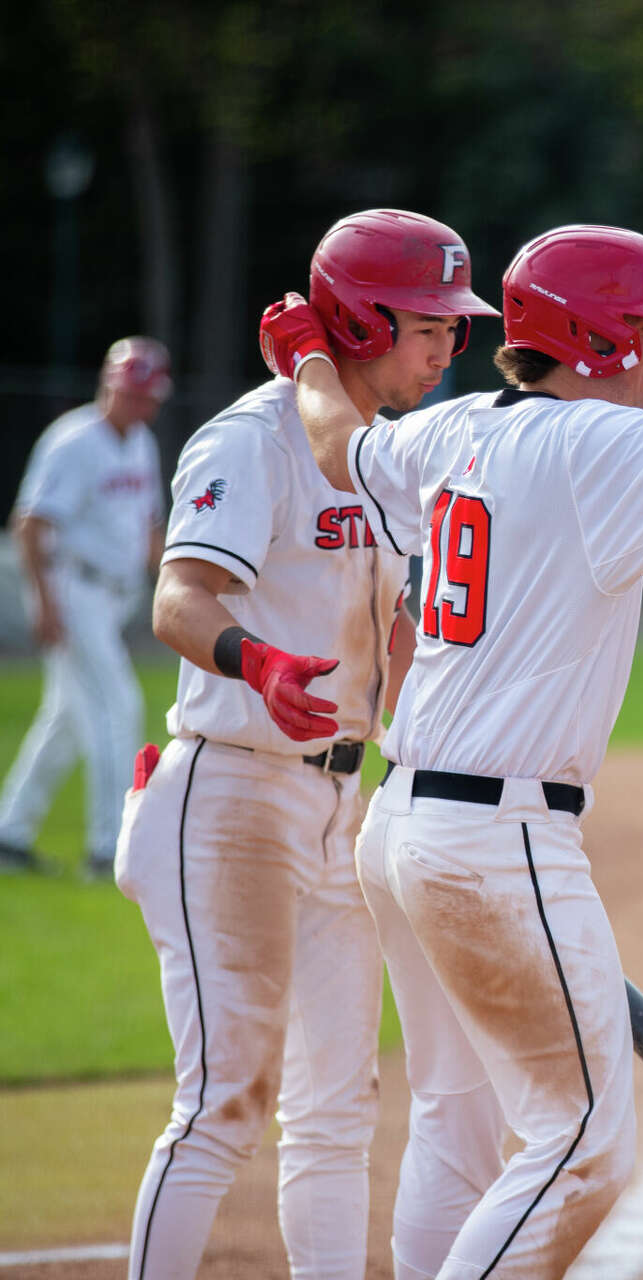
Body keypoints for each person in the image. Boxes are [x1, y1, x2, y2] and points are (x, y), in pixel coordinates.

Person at [263, 191, 643, 1278]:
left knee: (461, 1122)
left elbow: (336, 445)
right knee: (587, 1144)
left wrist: (307, 360)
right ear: (590, 336)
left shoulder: (451, 428)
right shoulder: (600, 440)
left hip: (406, 825)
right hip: (496, 842)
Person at [116, 210, 494, 1279]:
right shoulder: (255, 436)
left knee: (337, 1105)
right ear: (362, 319)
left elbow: (410, 626)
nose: (446, 349)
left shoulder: (392, 458)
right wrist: (257, 660)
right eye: (430, 327)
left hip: (344, 806)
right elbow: (179, 596)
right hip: (232, 788)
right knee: (224, 1100)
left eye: (456, 331)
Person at [0, 337, 167, 877]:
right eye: (131, 393)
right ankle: (107, 847)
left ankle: (10, 834)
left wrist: (175, 585)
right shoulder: (73, 440)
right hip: (73, 589)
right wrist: (44, 604)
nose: (139, 404)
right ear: (109, 387)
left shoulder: (140, 443)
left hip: (113, 596)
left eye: (147, 396)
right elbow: (31, 523)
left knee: (65, 722)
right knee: (118, 707)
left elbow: (148, 529)